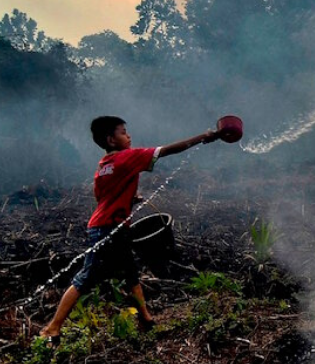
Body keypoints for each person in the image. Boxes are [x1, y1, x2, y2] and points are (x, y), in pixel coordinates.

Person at [38, 116, 220, 346]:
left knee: (130, 271)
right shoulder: (128, 157)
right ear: (111, 140)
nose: (129, 136)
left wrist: (130, 201)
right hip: (108, 228)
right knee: (86, 277)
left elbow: (104, 198)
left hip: (106, 225)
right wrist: (203, 137)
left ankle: (145, 319)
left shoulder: (103, 166)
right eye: (123, 132)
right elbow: (166, 150)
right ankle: (52, 327)